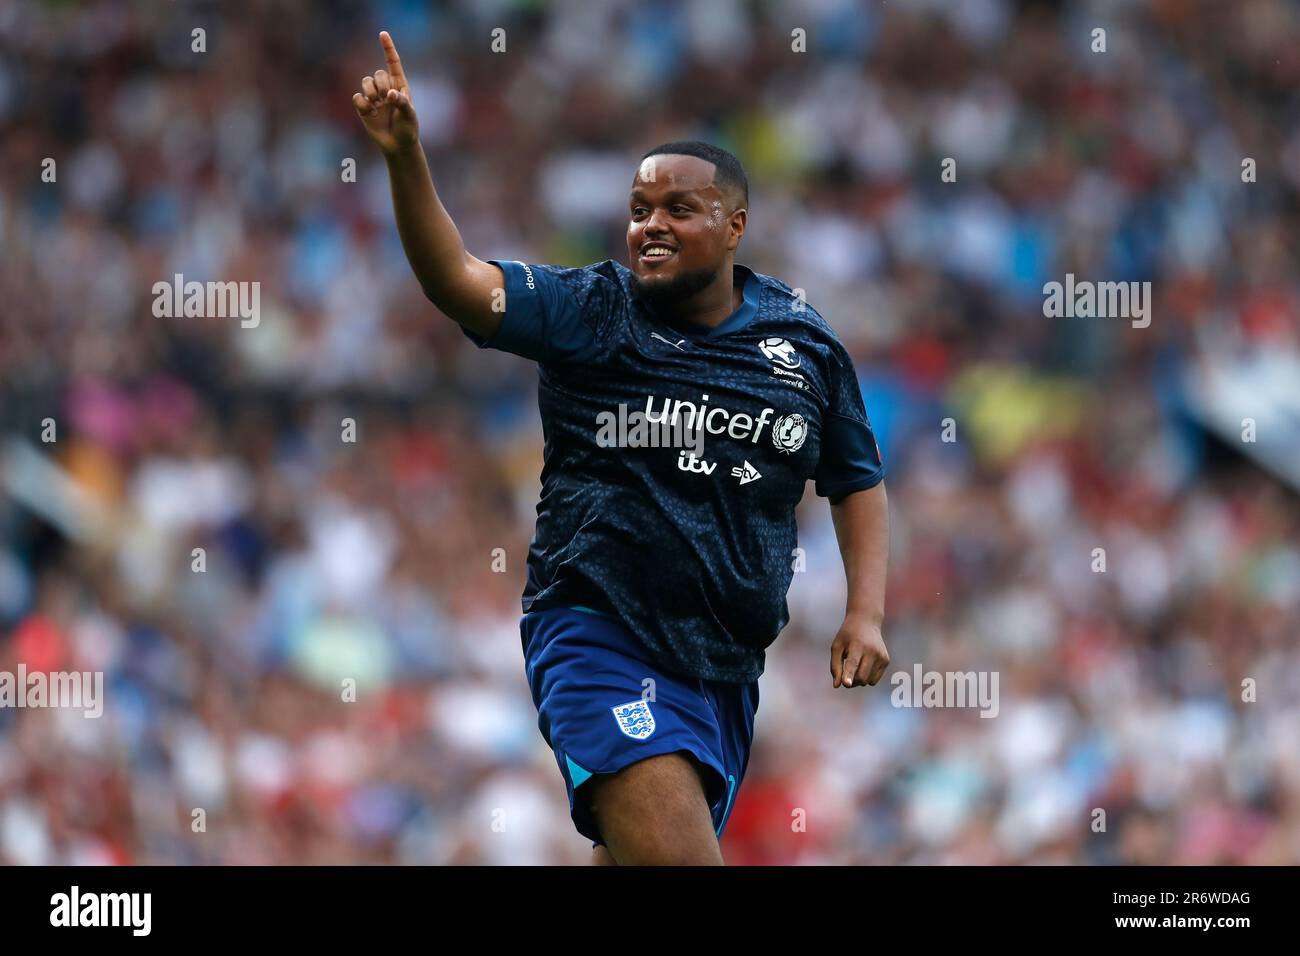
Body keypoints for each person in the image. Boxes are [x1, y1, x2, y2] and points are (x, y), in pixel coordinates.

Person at [354, 32, 891, 865]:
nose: (652, 226)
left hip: (724, 671)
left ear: (735, 224)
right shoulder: (592, 311)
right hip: (601, 633)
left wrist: (864, 611)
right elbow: (455, 278)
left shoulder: (804, 343)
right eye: (640, 210)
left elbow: (856, 480)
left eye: (680, 209)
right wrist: (406, 159)